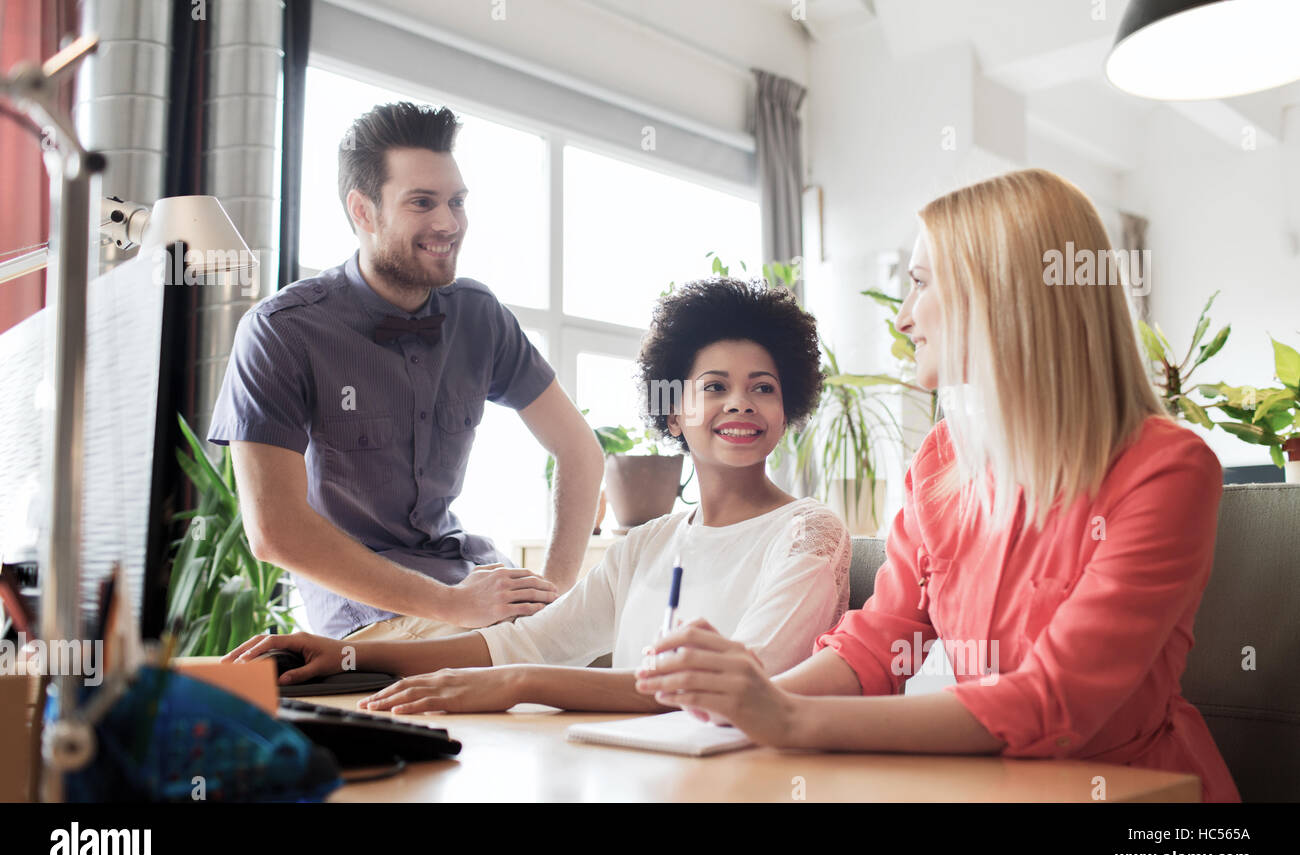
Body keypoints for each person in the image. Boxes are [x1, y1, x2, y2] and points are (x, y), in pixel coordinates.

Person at [635, 169, 1241, 803]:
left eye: (920, 285)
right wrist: (747, 700)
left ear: (999, 295)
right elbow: (876, 645)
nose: (902, 319)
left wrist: (786, 718)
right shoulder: (942, 460)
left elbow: (1054, 701)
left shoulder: (1166, 469)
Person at [225, 277, 852, 714]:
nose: (740, 401)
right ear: (672, 413)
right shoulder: (647, 545)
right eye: (714, 386)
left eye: (763, 388)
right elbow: (527, 641)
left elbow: (742, 684)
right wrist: (349, 652)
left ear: (787, 407)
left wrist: (520, 684)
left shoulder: (809, 533)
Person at [207, 102, 604, 642]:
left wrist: (554, 593)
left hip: (470, 579)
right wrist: (452, 605)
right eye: (422, 202)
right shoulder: (280, 331)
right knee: (513, 666)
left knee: (624, 646)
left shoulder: (479, 315)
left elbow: (580, 451)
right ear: (363, 212)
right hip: (367, 611)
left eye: (456, 202)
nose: (448, 223)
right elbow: (275, 532)